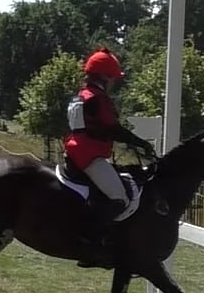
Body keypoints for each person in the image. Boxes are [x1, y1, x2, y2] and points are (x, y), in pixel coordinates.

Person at [64, 49, 157, 255]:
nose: (114, 83)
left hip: (75, 149)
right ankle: (91, 241)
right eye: (112, 78)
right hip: (88, 155)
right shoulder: (98, 98)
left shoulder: (79, 97)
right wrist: (139, 143)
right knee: (119, 198)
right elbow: (112, 128)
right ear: (104, 77)